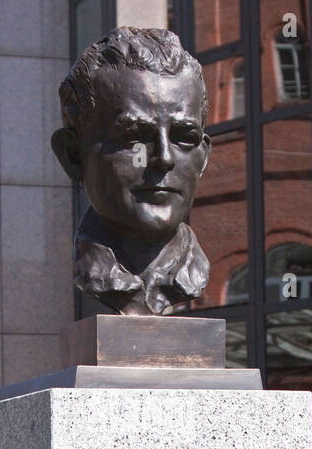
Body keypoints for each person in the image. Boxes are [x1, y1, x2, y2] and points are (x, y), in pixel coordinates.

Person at [51, 26, 212, 315]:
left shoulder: (194, 275)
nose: (164, 158)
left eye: (183, 137)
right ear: (74, 156)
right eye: (135, 136)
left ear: (203, 157)